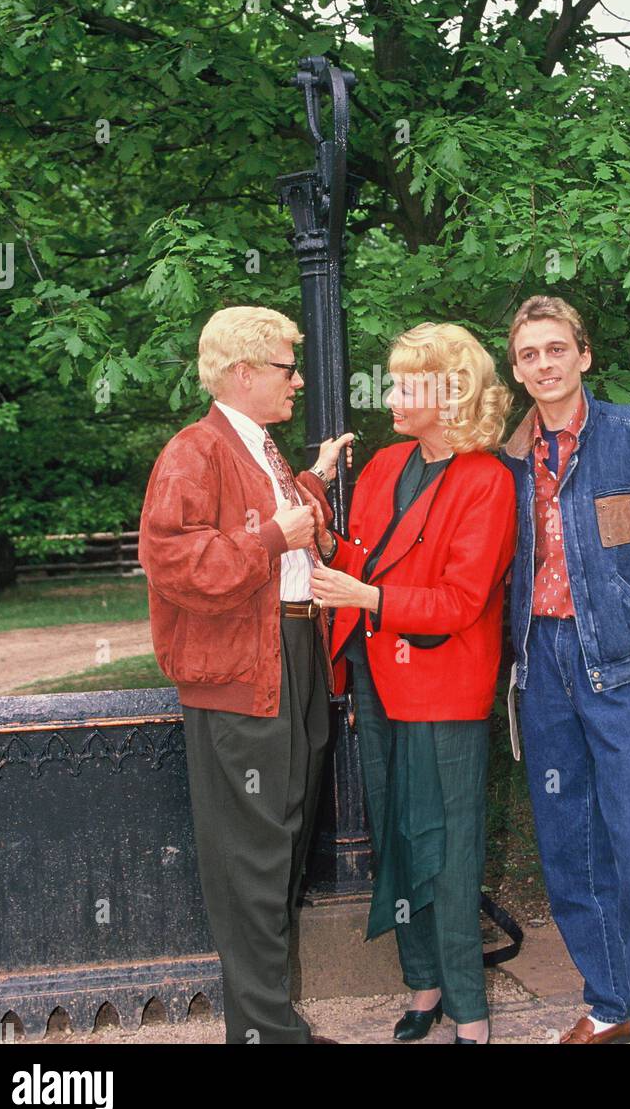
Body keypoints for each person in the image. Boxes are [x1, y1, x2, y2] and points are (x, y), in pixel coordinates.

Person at [500, 295, 630, 1046]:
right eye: (528, 355)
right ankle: (609, 1000)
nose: (544, 364)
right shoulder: (509, 457)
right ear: (516, 369)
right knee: (565, 848)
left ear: (583, 356)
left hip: (620, 666)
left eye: (556, 349)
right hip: (541, 668)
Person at [138, 305, 352, 1045]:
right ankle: (265, 1035)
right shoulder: (193, 451)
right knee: (254, 856)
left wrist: (311, 482)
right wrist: (271, 532)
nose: (298, 380)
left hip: (292, 661)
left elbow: (286, 541)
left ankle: (266, 1022)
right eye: (287, 367)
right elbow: (175, 564)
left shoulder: (260, 449)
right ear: (243, 372)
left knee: (282, 847)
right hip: (241, 678)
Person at [310, 322, 517, 1045]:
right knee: (398, 839)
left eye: (407, 383)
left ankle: (470, 1010)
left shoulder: (486, 479)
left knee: (448, 848)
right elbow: (356, 557)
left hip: (442, 686)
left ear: (451, 392)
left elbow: (462, 603)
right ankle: (422, 986)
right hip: (376, 677)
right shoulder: (382, 465)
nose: (390, 395)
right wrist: (310, 519)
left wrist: (364, 599)